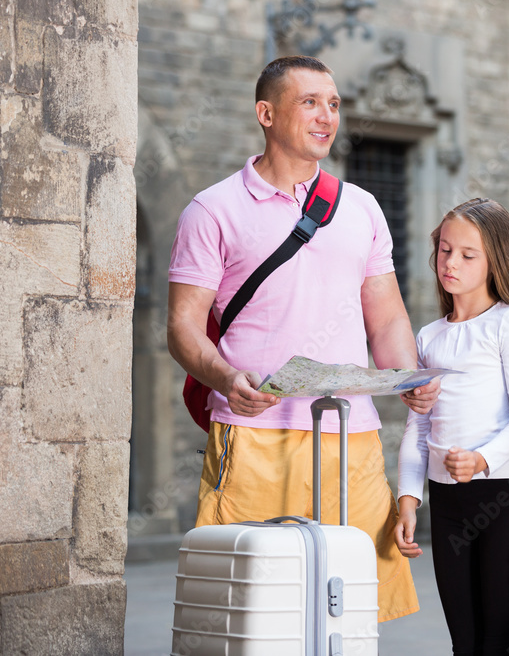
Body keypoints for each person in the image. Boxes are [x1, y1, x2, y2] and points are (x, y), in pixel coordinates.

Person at [167, 55, 439, 622]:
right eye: (309, 102)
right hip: (253, 435)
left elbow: (386, 317)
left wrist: (407, 376)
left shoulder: (361, 208)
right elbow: (183, 327)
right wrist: (225, 377)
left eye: (333, 104)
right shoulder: (212, 210)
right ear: (266, 114)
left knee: (352, 607)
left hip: (351, 433)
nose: (326, 116)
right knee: (251, 610)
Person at [394, 198, 509, 655]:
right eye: (445, 250)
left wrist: (482, 459)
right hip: (446, 504)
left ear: (494, 261)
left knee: (501, 641)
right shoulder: (428, 336)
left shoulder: (508, 323)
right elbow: (417, 427)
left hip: (504, 498)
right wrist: (408, 499)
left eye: (468, 255)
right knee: (463, 643)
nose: (451, 263)